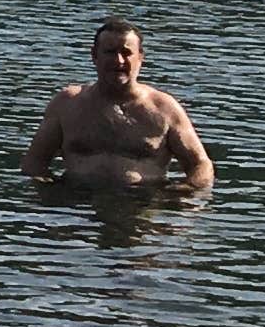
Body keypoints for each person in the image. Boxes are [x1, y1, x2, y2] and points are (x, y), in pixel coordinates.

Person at [23, 17, 212, 197]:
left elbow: (201, 165)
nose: (119, 60)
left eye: (126, 52)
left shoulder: (164, 108)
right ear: (94, 56)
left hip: (142, 205)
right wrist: (47, 196)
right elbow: (35, 162)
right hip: (76, 205)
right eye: (110, 52)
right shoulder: (67, 104)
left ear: (140, 58)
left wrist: (185, 192)